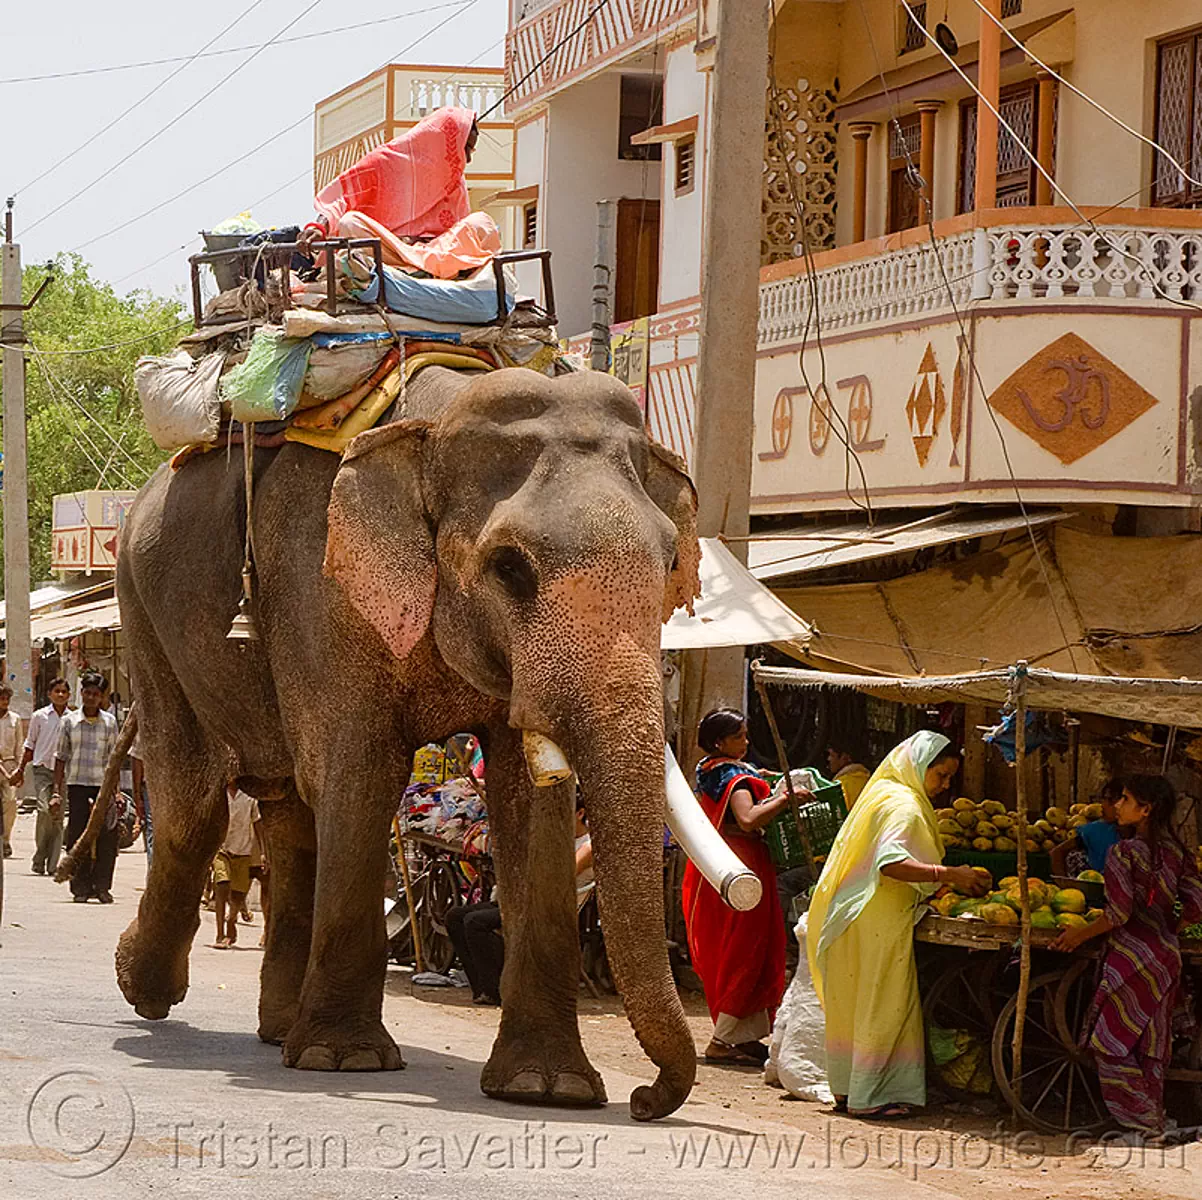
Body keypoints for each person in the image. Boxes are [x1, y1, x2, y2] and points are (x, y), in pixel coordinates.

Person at [807, 730, 987, 1119]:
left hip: (852, 915)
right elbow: (889, 862)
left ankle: (847, 1090)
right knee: (884, 1006)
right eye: (940, 775)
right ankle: (873, 1096)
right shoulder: (903, 805)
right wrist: (948, 875)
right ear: (919, 767)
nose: (944, 786)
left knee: (854, 1006)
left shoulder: (882, 792)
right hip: (879, 919)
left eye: (949, 778)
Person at [1051, 775, 1202, 1140]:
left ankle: (1142, 1121)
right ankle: (1154, 1119)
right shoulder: (1179, 852)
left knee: (1111, 1041)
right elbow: (1196, 906)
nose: (1117, 806)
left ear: (1145, 810)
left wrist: (1077, 935)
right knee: (1152, 1046)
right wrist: (1166, 928)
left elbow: (1117, 914)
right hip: (1165, 959)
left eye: (1126, 800)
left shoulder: (1123, 853)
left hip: (1130, 959)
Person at [682, 708, 791, 1067]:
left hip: (722, 866)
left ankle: (739, 1036)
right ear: (720, 742)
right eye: (740, 737)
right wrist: (784, 799)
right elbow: (747, 819)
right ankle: (722, 1039)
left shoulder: (710, 768)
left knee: (734, 948)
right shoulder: (733, 776)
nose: (746, 742)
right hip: (744, 865)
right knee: (748, 951)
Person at [446, 807, 594, 1006]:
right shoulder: (556, 837)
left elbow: (561, 876)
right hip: (521, 900)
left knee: (476, 922)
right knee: (455, 916)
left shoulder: (588, 845)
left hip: (549, 905)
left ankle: (497, 987)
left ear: (580, 813)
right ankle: (482, 986)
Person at [309, 107, 479, 248]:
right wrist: (319, 227)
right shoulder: (385, 162)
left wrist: (422, 242)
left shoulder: (455, 183)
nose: (469, 159)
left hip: (433, 255)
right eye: (464, 149)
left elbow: (458, 233)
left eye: (471, 151)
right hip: (387, 251)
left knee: (481, 223)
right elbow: (343, 198)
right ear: (441, 142)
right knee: (349, 223)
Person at [54, 673, 119, 903]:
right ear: (82, 693)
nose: (91, 698)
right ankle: (80, 887)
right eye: (88, 693)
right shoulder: (69, 722)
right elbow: (61, 758)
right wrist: (56, 792)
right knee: (77, 835)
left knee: (106, 838)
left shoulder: (110, 723)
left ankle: (102, 887)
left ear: (102, 698)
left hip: (103, 786)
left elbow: (114, 759)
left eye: (96, 694)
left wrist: (116, 792)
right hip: (77, 785)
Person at [13, 677, 71, 876]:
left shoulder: (72, 719)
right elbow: (30, 745)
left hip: (63, 774)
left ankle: (52, 864)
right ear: (49, 694)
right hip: (43, 771)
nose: (60, 695)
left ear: (69, 695)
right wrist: (20, 770)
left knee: (58, 817)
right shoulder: (40, 716)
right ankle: (40, 856)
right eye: (57, 691)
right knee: (45, 810)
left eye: (64, 691)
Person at [213, 783, 263, 949]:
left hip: (243, 850)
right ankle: (220, 934)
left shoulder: (250, 796)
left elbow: (257, 823)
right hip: (222, 849)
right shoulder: (219, 795)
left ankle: (231, 921)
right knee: (222, 885)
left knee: (238, 895)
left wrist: (263, 852)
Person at [1050, 779, 1121, 878]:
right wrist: (1065, 885)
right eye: (1104, 799)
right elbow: (1057, 853)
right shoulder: (1095, 830)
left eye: (1111, 800)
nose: (1103, 805)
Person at [0, 685, 22, 858]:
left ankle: (6, 839)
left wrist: (19, 770)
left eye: (7, 699)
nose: (4, 702)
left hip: (9, 764)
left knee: (11, 802)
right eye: (2, 698)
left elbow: (19, 747)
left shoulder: (15, 719)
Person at [826, 738, 872, 809]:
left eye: (832, 755)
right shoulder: (867, 778)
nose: (828, 759)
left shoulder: (841, 785)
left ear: (845, 758)